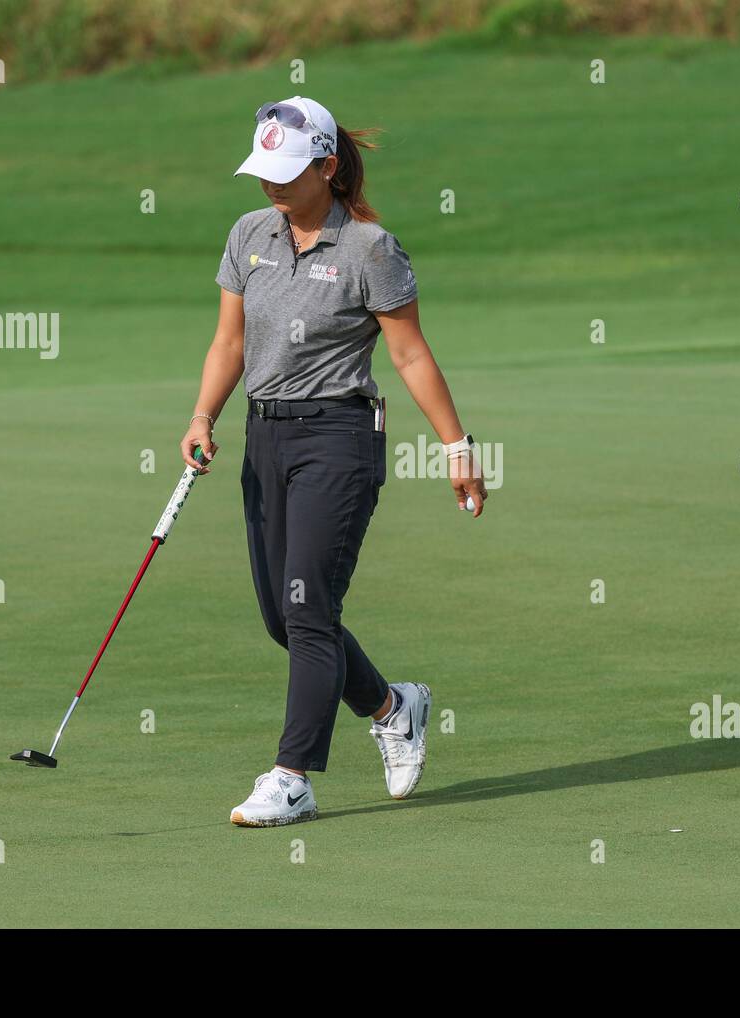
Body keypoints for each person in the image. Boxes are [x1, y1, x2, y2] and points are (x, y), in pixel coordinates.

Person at [179, 96, 487, 827]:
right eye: (263, 171)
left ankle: (292, 776)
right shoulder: (249, 234)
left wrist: (457, 446)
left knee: (309, 608)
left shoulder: (370, 248)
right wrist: (202, 416)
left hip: (338, 440)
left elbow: (409, 353)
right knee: (283, 619)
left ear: (326, 165)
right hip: (266, 438)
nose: (271, 186)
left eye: (287, 172)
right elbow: (229, 343)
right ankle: (392, 706)